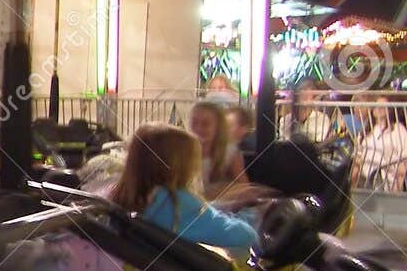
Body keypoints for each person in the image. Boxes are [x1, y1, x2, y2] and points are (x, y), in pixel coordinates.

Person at [113, 122, 258, 254]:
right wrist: (246, 217)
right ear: (180, 166)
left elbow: (196, 218)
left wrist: (219, 206)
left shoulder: (125, 196)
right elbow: (244, 236)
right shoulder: (176, 203)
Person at [188, 99, 246, 199]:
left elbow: (243, 186)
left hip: (219, 206)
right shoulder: (181, 148)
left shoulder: (229, 152)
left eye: (205, 124)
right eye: (194, 122)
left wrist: (222, 191)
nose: (198, 128)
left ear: (218, 128)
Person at [354, 98, 407, 191]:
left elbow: (403, 161)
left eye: (383, 106)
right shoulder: (366, 131)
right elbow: (357, 160)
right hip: (364, 182)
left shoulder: (398, 129)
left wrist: (396, 190)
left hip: (386, 183)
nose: (379, 108)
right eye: (377, 106)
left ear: (390, 110)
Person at [288, 78, 334, 143]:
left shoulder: (322, 119)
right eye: (302, 89)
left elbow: (318, 145)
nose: (305, 93)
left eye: (310, 89)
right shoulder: (286, 120)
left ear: (315, 97)